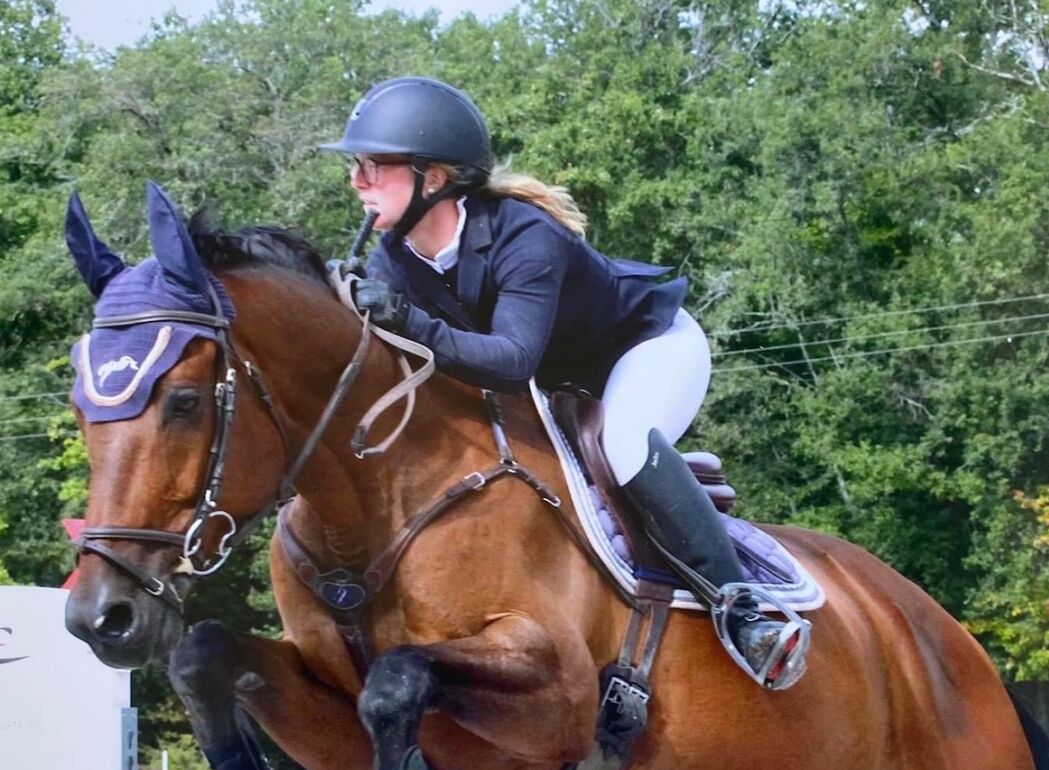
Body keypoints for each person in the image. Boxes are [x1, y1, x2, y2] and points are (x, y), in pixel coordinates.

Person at [318, 76, 786, 688]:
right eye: (356, 166)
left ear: (433, 178)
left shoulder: (525, 235)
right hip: (550, 383)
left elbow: (511, 360)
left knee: (620, 444)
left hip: (644, 350)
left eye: (374, 166)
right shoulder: (393, 260)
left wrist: (404, 318)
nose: (357, 182)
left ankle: (742, 608)